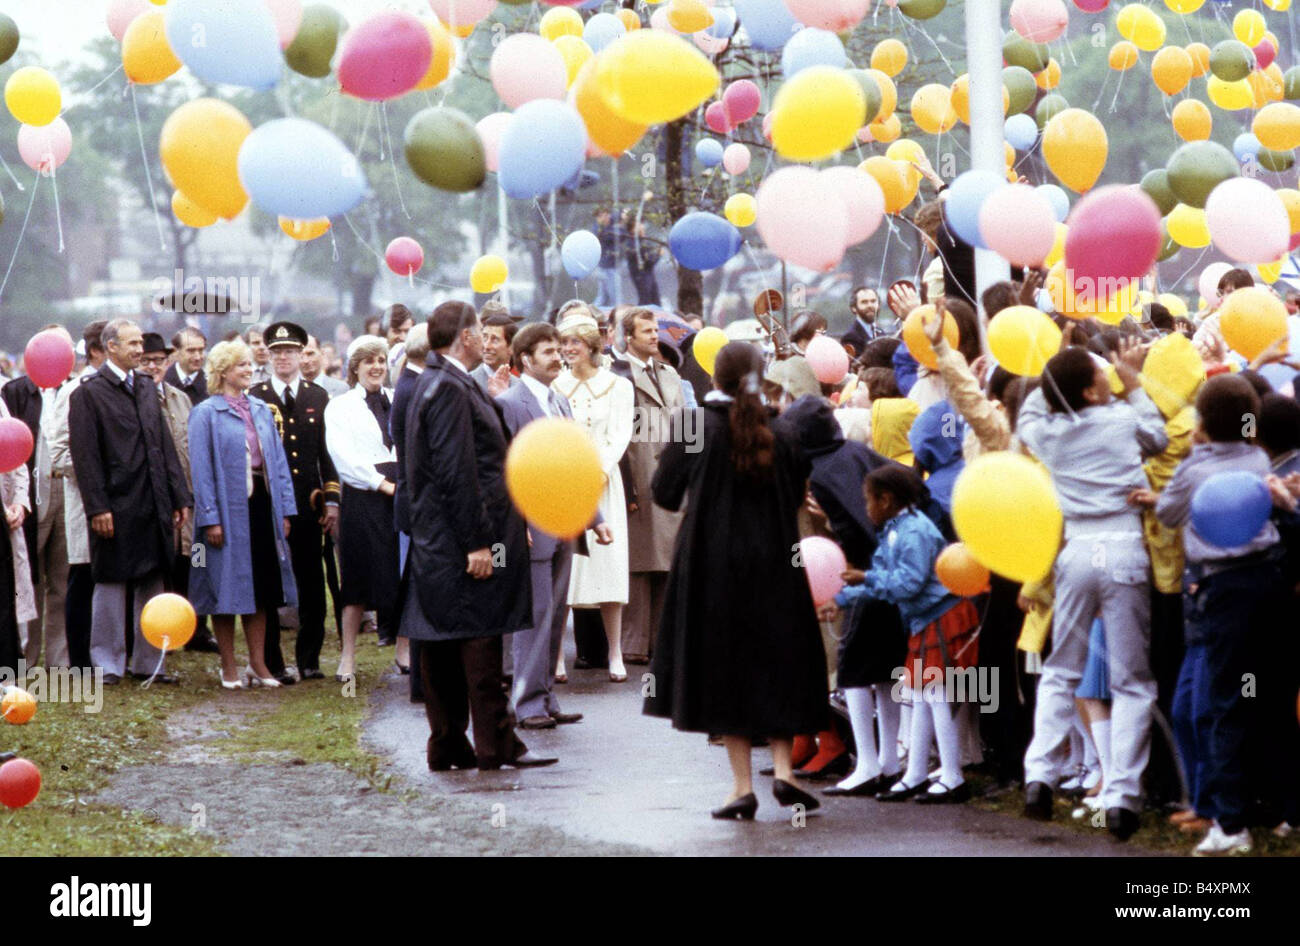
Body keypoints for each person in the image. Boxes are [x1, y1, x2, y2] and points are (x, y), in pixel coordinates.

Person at [645, 342, 827, 820]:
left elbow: (663, 494)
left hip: (711, 565)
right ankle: (785, 772)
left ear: (716, 378)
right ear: (759, 376)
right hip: (776, 562)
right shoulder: (784, 432)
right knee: (779, 660)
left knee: (725, 667)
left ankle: (742, 786)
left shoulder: (693, 425)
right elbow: (795, 495)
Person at [1018, 341, 1167, 841]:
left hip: (1076, 549)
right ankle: (1123, 793)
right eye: (1100, 376)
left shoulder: (1048, 432)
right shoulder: (1123, 419)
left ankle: (1039, 773)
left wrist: (1048, 359)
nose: (1108, 377)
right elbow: (1160, 437)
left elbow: (1028, 413)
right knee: (1131, 679)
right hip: (1123, 544)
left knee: (1061, 667)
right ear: (1088, 389)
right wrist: (1135, 378)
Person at [398, 301, 555, 770]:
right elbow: (456, 472)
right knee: (479, 642)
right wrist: (477, 542)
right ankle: (496, 745)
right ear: (464, 337)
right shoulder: (445, 386)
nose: (485, 340)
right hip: (461, 543)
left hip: (441, 542)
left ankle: (449, 744)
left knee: (444, 642)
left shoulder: (442, 381)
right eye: (479, 333)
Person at [1136, 375, 1283, 855]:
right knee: (1260, 692)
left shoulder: (1193, 469)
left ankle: (1230, 821)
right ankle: (1277, 806)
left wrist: (1184, 468)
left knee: (1223, 702)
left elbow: (1174, 516)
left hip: (1220, 589)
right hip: (1266, 580)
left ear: (1201, 424)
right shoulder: (1259, 459)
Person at [822, 465, 981, 803]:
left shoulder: (912, 532)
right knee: (922, 695)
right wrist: (840, 598)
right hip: (927, 618)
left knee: (935, 695)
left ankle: (953, 776)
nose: (865, 509)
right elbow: (885, 576)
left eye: (869, 501)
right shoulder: (898, 529)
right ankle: (917, 772)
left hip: (940, 616)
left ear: (886, 499)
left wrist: (864, 580)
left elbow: (908, 583)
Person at [783, 395, 909, 796]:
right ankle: (890, 760)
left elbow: (860, 526)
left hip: (866, 575)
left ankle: (869, 764)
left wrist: (830, 524)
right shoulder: (856, 451)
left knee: (853, 671)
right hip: (894, 570)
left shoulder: (819, 472)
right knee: (887, 671)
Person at [496, 323, 612, 728]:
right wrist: (515, 524)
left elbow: (572, 463)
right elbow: (503, 470)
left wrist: (595, 518)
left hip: (566, 523)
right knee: (535, 614)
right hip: (532, 525)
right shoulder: (510, 403)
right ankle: (526, 703)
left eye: (558, 349)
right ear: (525, 359)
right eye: (548, 351)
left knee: (556, 614)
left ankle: (546, 698)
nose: (557, 356)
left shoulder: (560, 401)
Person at [68, 319, 192, 685]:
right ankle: (107, 664)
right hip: (115, 505)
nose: (140, 350)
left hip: (152, 500)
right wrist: (97, 507)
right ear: (110, 348)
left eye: (140, 342)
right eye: (132, 343)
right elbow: (85, 457)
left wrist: (178, 495)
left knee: (153, 580)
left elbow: (164, 445)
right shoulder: (88, 393)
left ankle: (149, 661)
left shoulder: (145, 387)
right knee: (110, 583)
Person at [188, 340, 298, 689]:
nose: (250, 370)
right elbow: (201, 469)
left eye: (251, 365)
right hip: (226, 507)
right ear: (222, 372)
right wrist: (210, 518)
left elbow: (278, 463)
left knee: (263, 586)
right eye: (241, 366)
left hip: (262, 505)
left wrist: (285, 508)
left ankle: (259, 664)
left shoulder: (261, 409)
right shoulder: (206, 412)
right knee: (224, 586)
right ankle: (229, 666)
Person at [249, 322, 342, 683]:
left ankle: (309, 658)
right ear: (269, 356)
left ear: (302, 355)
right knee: (270, 583)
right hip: (269, 505)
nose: (283, 358)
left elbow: (326, 455)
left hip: (308, 504)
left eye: (290, 351)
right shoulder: (257, 397)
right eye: (277, 352)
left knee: (311, 583)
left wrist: (331, 500)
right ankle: (272, 659)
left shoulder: (318, 397)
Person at [554, 310, 635, 681]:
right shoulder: (556, 386)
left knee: (608, 565)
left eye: (574, 342)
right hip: (565, 482)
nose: (567, 349)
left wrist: (598, 472)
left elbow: (619, 435)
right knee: (565, 573)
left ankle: (615, 653)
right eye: (563, 342)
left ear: (591, 346)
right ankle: (555, 657)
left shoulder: (618, 386)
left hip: (603, 483)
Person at [324, 336, 402, 683]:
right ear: (355, 367)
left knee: (402, 574)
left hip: (400, 491)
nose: (377, 367)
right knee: (356, 579)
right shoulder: (339, 407)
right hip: (363, 494)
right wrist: (381, 484)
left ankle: (404, 650)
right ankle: (348, 658)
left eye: (382, 360)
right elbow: (344, 458)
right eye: (369, 360)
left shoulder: (397, 399)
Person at [612, 306, 684, 664]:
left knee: (667, 561)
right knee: (639, 562)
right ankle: (634, 643)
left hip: (671, 476)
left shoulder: (670, 374)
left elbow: (687, 428)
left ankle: (661, 640)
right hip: (638, 473)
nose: (654, 336)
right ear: (629, 338)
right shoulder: (617, 375)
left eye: (656, 330)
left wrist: (691, 469)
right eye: (646, 331)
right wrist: (626, 487)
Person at [3, 325, 69, 667]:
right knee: (29, 575)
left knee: (61, 576)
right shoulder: (15, 393)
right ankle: (24, 655)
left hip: (63, 489)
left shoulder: (74, 391)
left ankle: (58, 659)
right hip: (28, 489)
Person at [47, 321, 106, 669]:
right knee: (82, 577)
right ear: (97, 350)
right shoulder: (73, 391)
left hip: (118, 501)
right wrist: (96, 472)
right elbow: (58, 453)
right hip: (84, 500)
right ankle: (81, 659)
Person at [138, 332, 202, 646]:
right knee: (161, 564)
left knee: (194, 559)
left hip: (188, 495)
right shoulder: (136, 398)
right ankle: (161, 631)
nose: (153, 366)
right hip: (154, 498)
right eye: (146, 360)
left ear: (168, 361)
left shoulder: (180, 397)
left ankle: (196, 626)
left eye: (159, 360)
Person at [0, 397, 34, 675]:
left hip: (7, 520)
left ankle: (9, 668)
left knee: (11, 594)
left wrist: (19, 503)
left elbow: (16, 458)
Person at [470, 310, 519, 394]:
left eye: (495, 340)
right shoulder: (468, 383)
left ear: (511, 347)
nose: (486, 346)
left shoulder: (521, 388)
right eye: (484, 338)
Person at [165, 327, 208, 406]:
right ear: (176, 352)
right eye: (191, 351)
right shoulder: (162, 383)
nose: (197, 357)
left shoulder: (211, 387)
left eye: (201, 350)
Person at [840, 286, 885, 359]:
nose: (870, 305)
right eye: (864, 302)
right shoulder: (850, 337)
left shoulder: (880, 332)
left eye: (873, 301)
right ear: (854, 308)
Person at [593, 208, 622, 308]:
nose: (607, 218)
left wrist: (622, 214)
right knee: (614, 299)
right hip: (607, 268)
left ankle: (593, 312)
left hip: (606, 268)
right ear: (598, 218)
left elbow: (615, 216)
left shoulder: (607, 226)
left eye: (607, 215)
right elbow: (618, 236)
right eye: (602, 216)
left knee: (603, 297)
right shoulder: (599, 230)